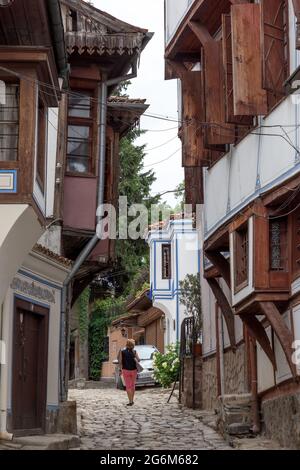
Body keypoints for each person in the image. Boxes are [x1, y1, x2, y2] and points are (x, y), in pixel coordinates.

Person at [118, 339, 140, 406]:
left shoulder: (122, 352)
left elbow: (120, 361)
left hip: (125, 370)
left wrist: (120, 369)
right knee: (133, 385)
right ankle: (132, 400)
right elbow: (138, 360)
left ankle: (130, 401)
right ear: (133, 345)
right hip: (134, 370)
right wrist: (134, 359)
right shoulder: (134, 352)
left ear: (126, 344)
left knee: (128, 386)